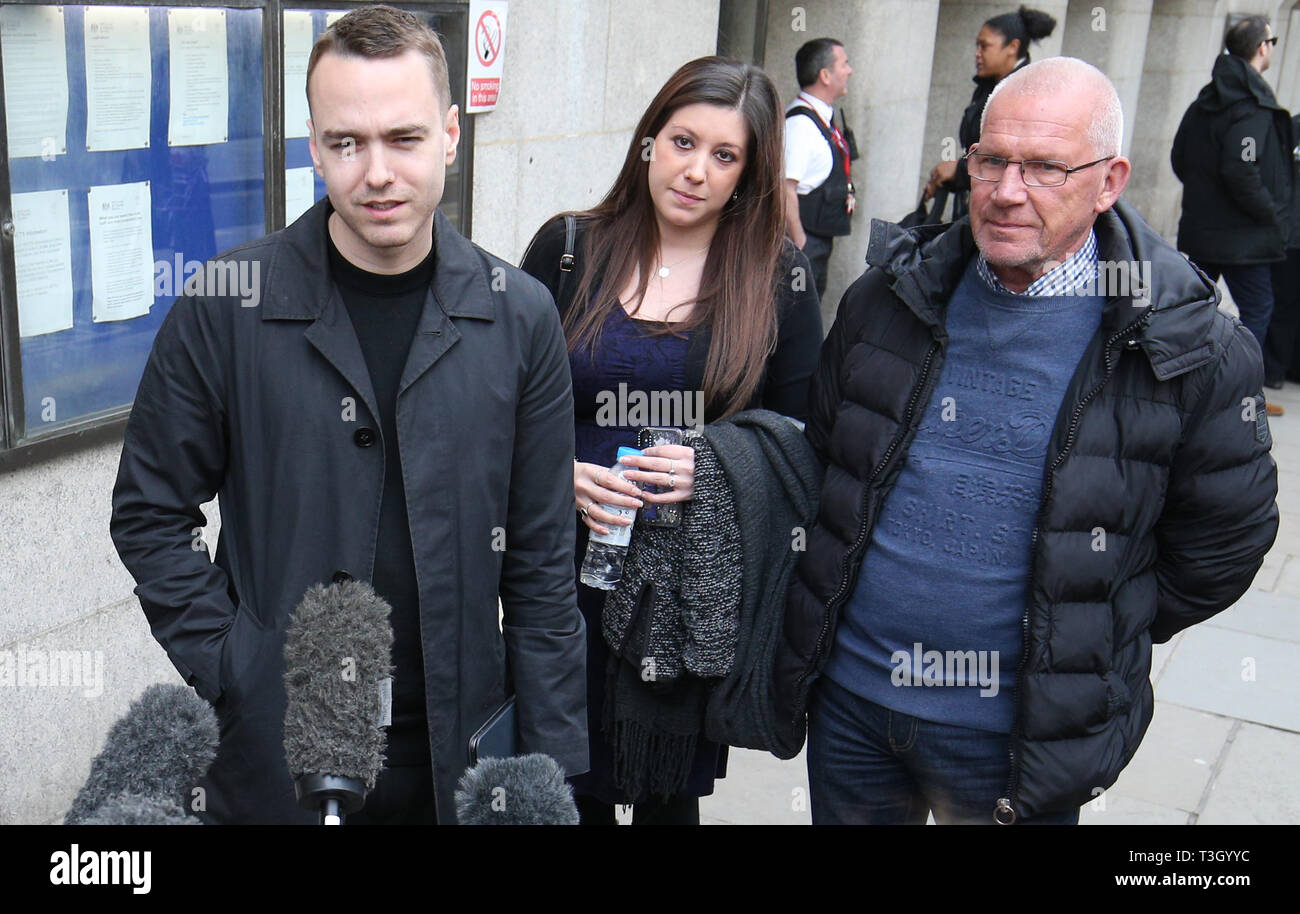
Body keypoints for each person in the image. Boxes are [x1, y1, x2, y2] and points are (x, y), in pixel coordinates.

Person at [110, 5, 587, 825]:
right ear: (313, 147)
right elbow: (150, 516)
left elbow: (542, 564)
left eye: (402, 139)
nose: (377, 173)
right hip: (278, 758)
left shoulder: (522, 316)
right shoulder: (228, 306)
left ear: (449, 134)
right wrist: (241, 666)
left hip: (461, 759)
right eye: (346, 142)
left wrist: (548, 770)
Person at [779, 58, 1278, 825]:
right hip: (851, 707)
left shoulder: (1189, 347)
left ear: (1110, 181)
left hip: (1012, 738)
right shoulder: (887, 298)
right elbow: (828, 463)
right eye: (990, 161)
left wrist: (1090, 619)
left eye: (1045, 167)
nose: (1007, 191)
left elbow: (1222, 545)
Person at [521, 55, 823, 825]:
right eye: (683, 141)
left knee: (666, 805)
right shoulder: (567, 248)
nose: (695, 171)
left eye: (725, 156)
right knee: (562, 793)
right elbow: (501, 408)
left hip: (685, 593)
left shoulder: (774, 275)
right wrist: (561, 475)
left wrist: (717, 467)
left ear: (749, 175)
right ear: (649, 140)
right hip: (566, 578)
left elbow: (805, 437)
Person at [1173, 15, 1293, 416]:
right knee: (1257, 310)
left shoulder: (1207, 99)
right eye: (1271, 41)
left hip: (1203, 229)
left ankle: (1177, 385)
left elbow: (1181, 157)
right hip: (1244, 237)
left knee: (1192, 308)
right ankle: (1238, 398)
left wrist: (1208, 201)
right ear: (1262, 48)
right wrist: (1271, 213)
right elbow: (1240, 167)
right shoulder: (1251, 105)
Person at [924, 6, 1057, 220]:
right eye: (977, 45)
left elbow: (1013, 159)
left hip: (1006, 212)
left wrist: (958, 171)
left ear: (1012, 47)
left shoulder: (1027, 93)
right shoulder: (990, 85)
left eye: (984, 46)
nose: (977, 53)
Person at [783, 37, 854, 299]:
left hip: (816, 242)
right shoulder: (801, 125)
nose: (849, 71)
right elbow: (784, 189)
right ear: (825, 75)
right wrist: (801, 244)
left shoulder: (823, 119)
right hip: (802, 244)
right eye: (844, 64)